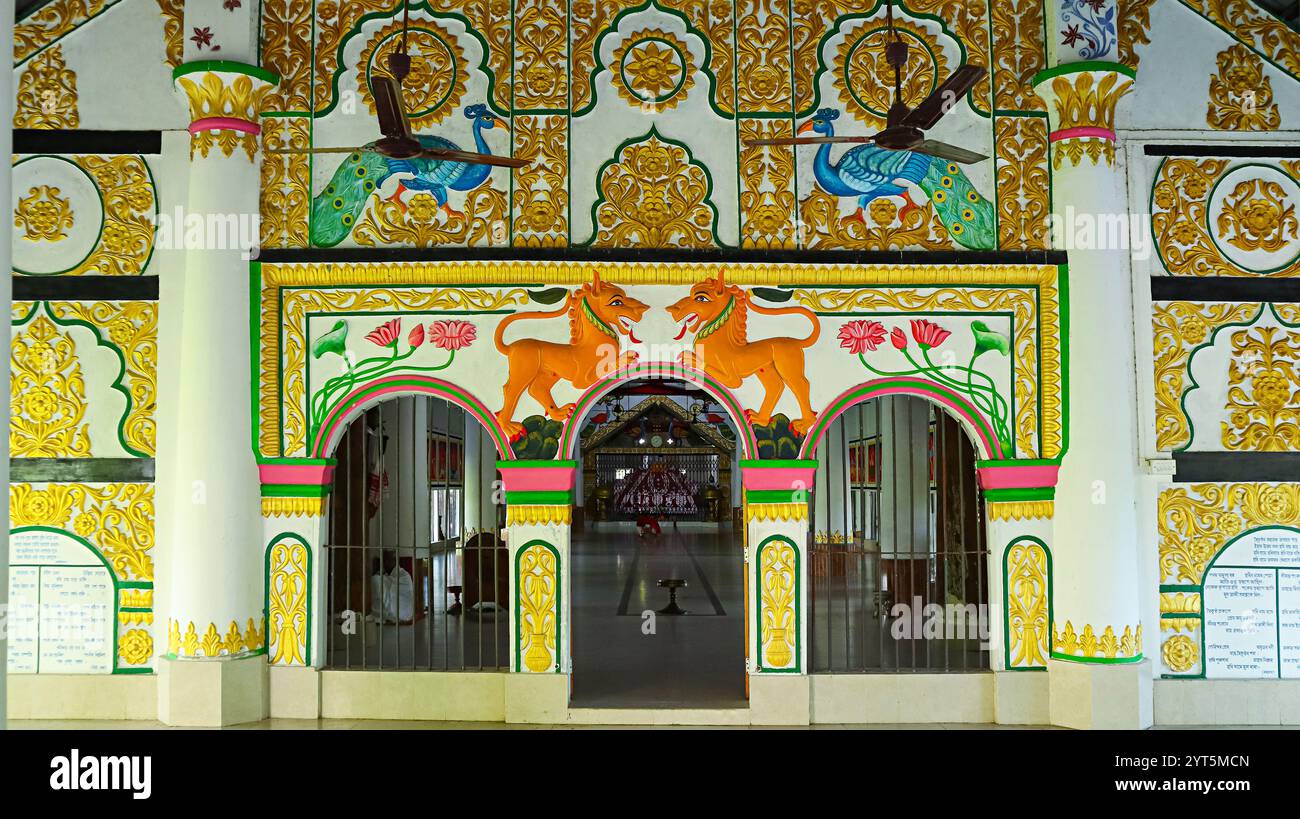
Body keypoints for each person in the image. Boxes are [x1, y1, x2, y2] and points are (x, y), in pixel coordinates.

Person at [369, 550, 414, 623]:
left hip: (404, 612)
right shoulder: (386, 575)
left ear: (395, 560)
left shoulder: (404, 575)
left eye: (388, 560)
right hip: (393, 611)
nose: (385, 563)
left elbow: (389, 583)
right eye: (384, 560)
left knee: (375, 580)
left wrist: (378, 576)